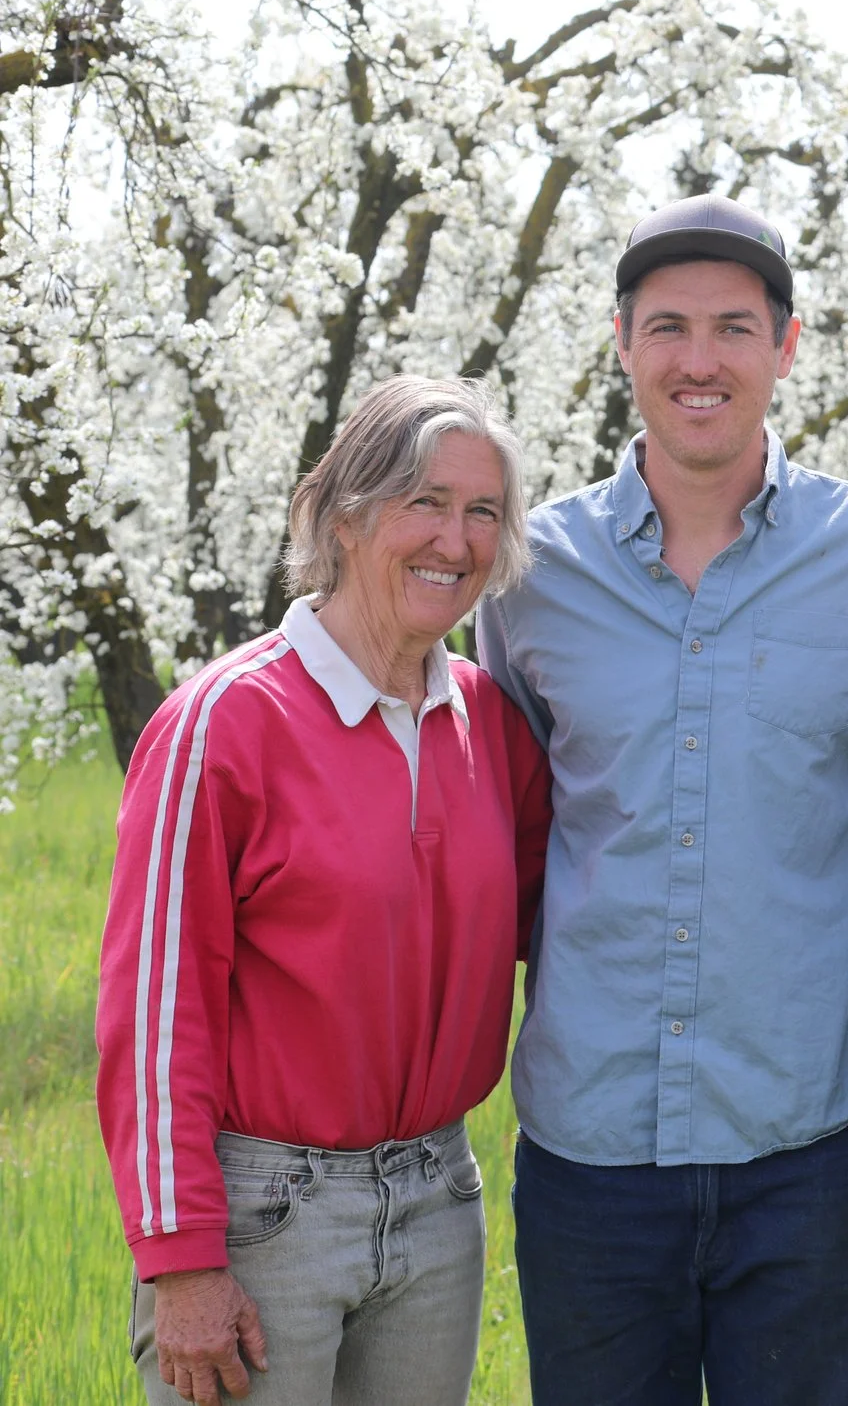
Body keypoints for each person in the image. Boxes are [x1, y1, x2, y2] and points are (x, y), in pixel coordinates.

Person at [476, 195, 848, 1406]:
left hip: (806, 1137)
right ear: (622, 342)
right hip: (590, 1148)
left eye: (735, 327)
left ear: (786, 347)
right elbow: (508, 827)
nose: (700, 360)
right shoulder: (532, 575)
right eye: (669, 326)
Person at [96, 376, 552, 1406]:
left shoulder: (489, 722)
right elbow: (152, 1014)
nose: (457, 537)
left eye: (483, 510)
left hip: (440, 1200)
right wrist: (182, 1257)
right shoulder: (222, 723)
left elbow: (565, 920)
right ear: (345, 515)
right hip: (265, 1218)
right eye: (425, 500)